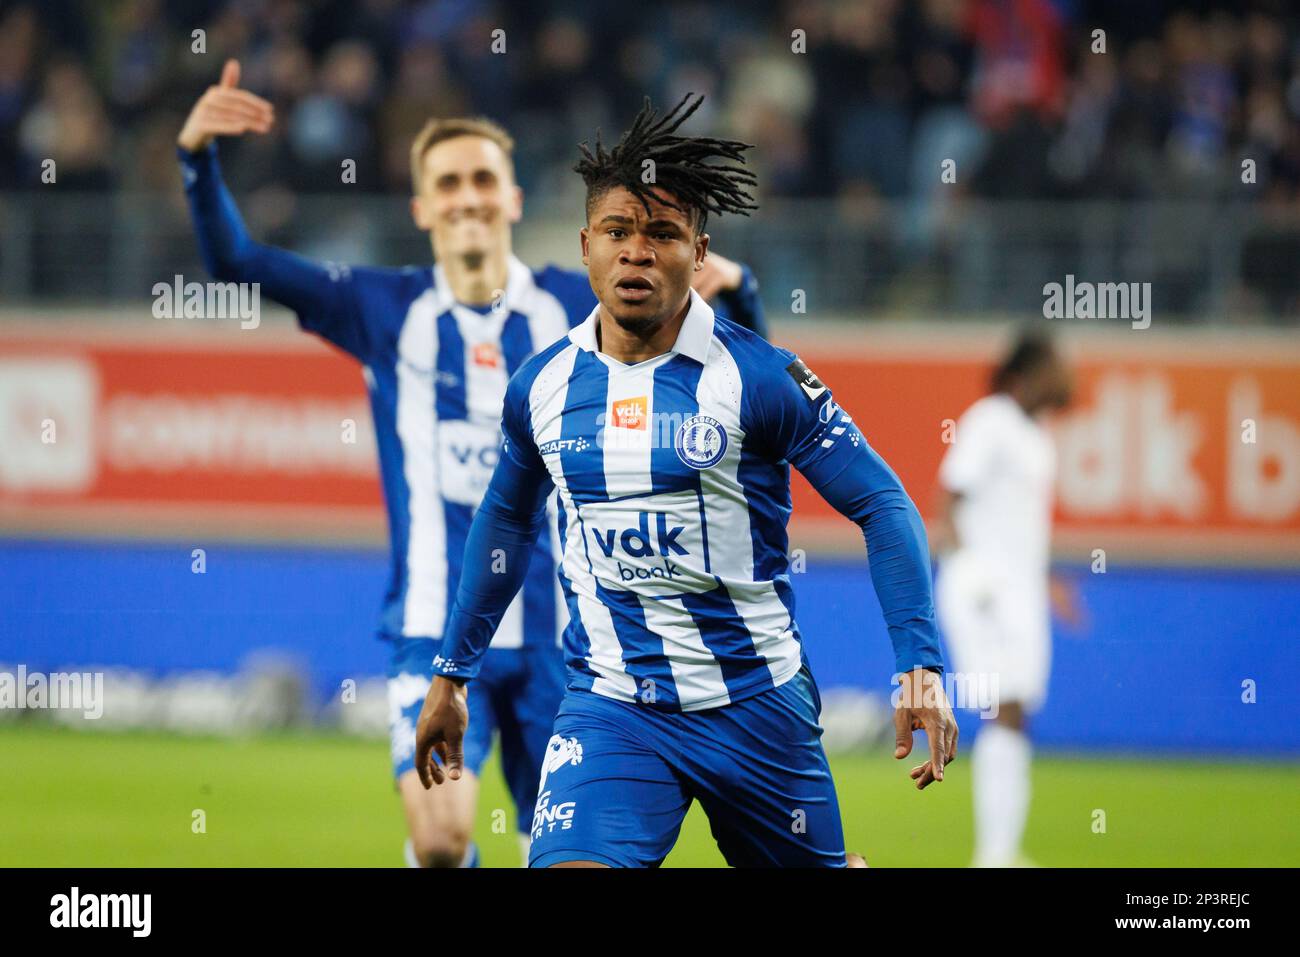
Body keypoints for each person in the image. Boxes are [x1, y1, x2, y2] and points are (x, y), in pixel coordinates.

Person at [176, 61, 767, 868]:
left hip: (574, 643)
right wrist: (197, 158)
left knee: (563, 854)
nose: (467, 195)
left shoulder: (583, 301)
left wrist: (742, 295)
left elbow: (735, 350)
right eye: (447, 181)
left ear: (514, 198)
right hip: (434, 632)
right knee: (445, 839)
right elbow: (237, 260)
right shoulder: (379, 307)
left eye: (483, 177)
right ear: (422, 207)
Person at [414, 94, 957, 868]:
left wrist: (920, 663)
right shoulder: (540, 387)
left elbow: (882, 501)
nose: (637, 252)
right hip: (613, 709)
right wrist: (452, 673)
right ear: (586, 246)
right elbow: (504, 521)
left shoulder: (762, 378)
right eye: (618, 231)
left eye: (663, 233)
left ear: (698, 254)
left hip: (756, 707)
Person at [932, 330, 1078, 868]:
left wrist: (1045, 579)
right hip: (983, 590)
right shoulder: (990, 419)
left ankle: (1002, 851)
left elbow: (1018, 525)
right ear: (1030, 372)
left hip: (1018, 591)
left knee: (1018, 713)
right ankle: (994, 855)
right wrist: (971, 571)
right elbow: (948, 499)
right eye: (1059, 366)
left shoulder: (1037, 434)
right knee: (1005, 707)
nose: (1069, 378)